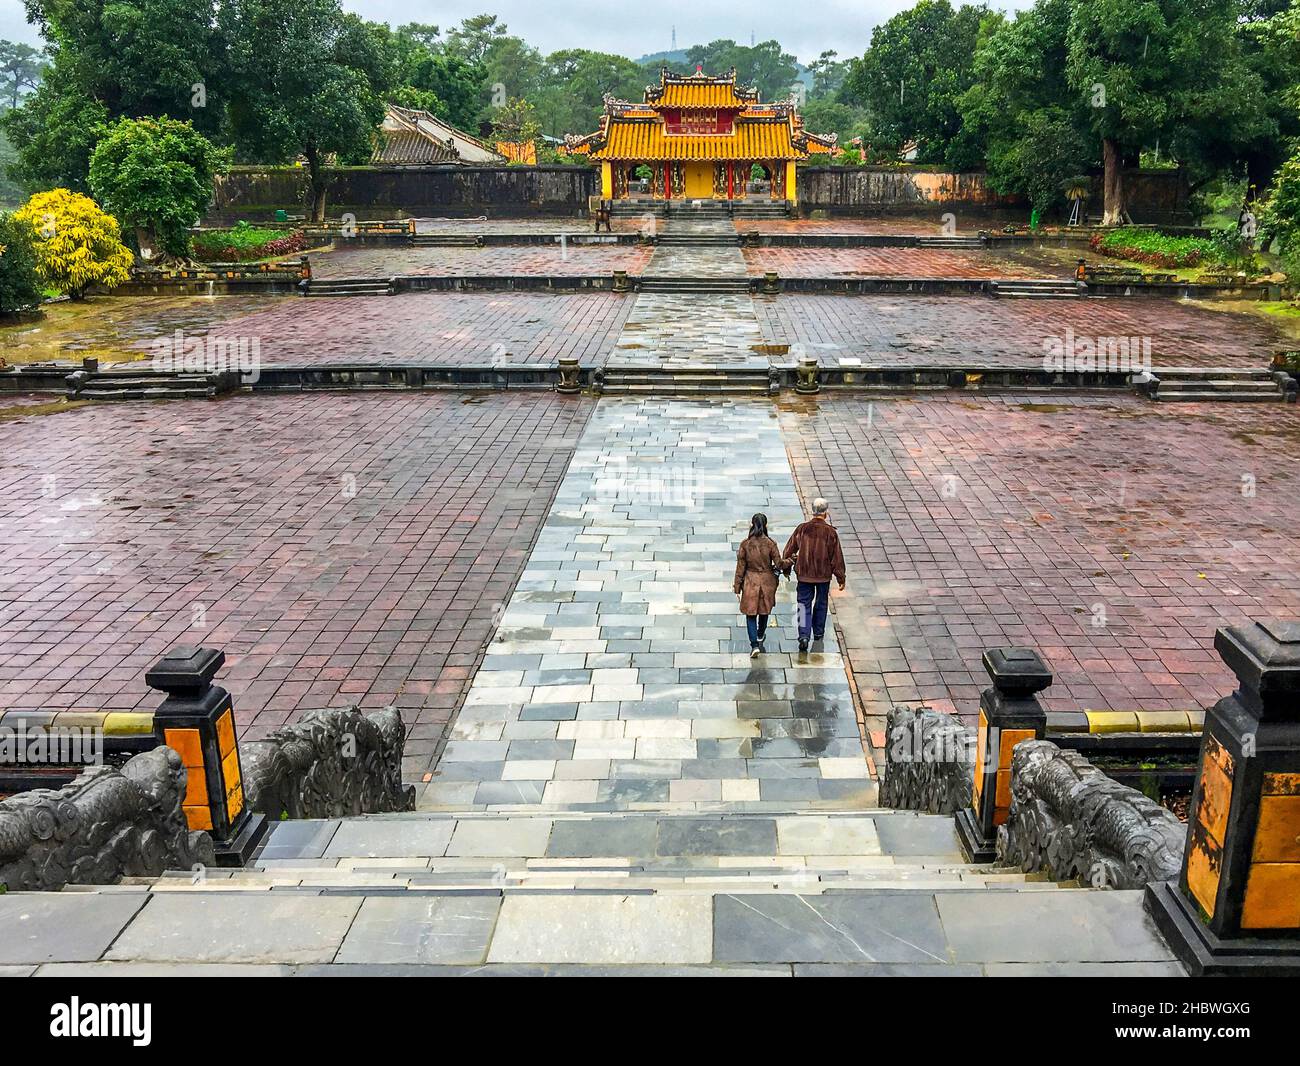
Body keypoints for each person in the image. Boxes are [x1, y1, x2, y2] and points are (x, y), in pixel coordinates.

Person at [783, 497, 846, 653]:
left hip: (804, 574)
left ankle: (804, 635)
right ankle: (818, 633)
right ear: (826, 513)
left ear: (813, 511)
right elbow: (836, 557)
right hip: (823, 575)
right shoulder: (830, 532)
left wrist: (786, 567)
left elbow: (789, 550)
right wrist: (840, 577)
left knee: (803, 604)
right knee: (821, 603)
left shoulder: (802, 529)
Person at [733, 512, 784, 658]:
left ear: (751, 525)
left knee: (750, 614)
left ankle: (754, 644)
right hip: (767, 582)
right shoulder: (770, 543)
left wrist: (737, 586)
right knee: (764, 610)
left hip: (750, 581)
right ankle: (761, 634)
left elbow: (740, 567)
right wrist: (790, 561)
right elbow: (779, 563)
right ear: (766, 525)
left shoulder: (746, 544)